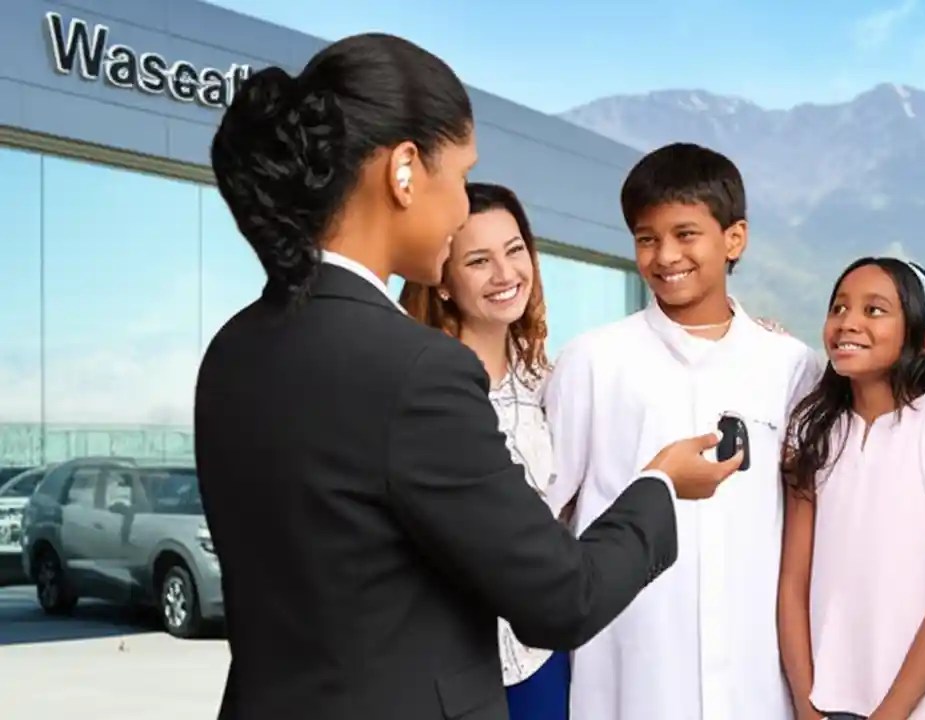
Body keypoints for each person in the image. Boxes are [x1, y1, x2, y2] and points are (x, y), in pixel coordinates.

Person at [196, 34, 742, 720]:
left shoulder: (233, 349)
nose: (461, 209)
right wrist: (661, 485)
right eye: (460, 176)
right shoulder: (417, 371)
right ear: (404, 171)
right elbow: (562, 596)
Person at [544, 142, 824, 720]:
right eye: (646, 238)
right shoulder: (592, 361)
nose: (665, 255)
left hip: (753, 678)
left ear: (734, 238)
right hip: (630, 676)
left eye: (685, 234)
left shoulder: (790, 366)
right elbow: (547, 510)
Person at [400, 182, 570, 719]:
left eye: (515, 250)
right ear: (443, 282)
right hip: (447, 661)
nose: (505, 273)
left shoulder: (550, 381)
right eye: (478, 261)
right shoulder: (416, 390)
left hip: (539, 658)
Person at [778, 257, 925, 720]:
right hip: (827, 704)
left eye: (874, 310)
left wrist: (890, 714)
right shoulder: (811, 431)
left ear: (923, 339)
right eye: (839, 307)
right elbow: (792, 584)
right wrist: (806, 701)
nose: (848, 322)